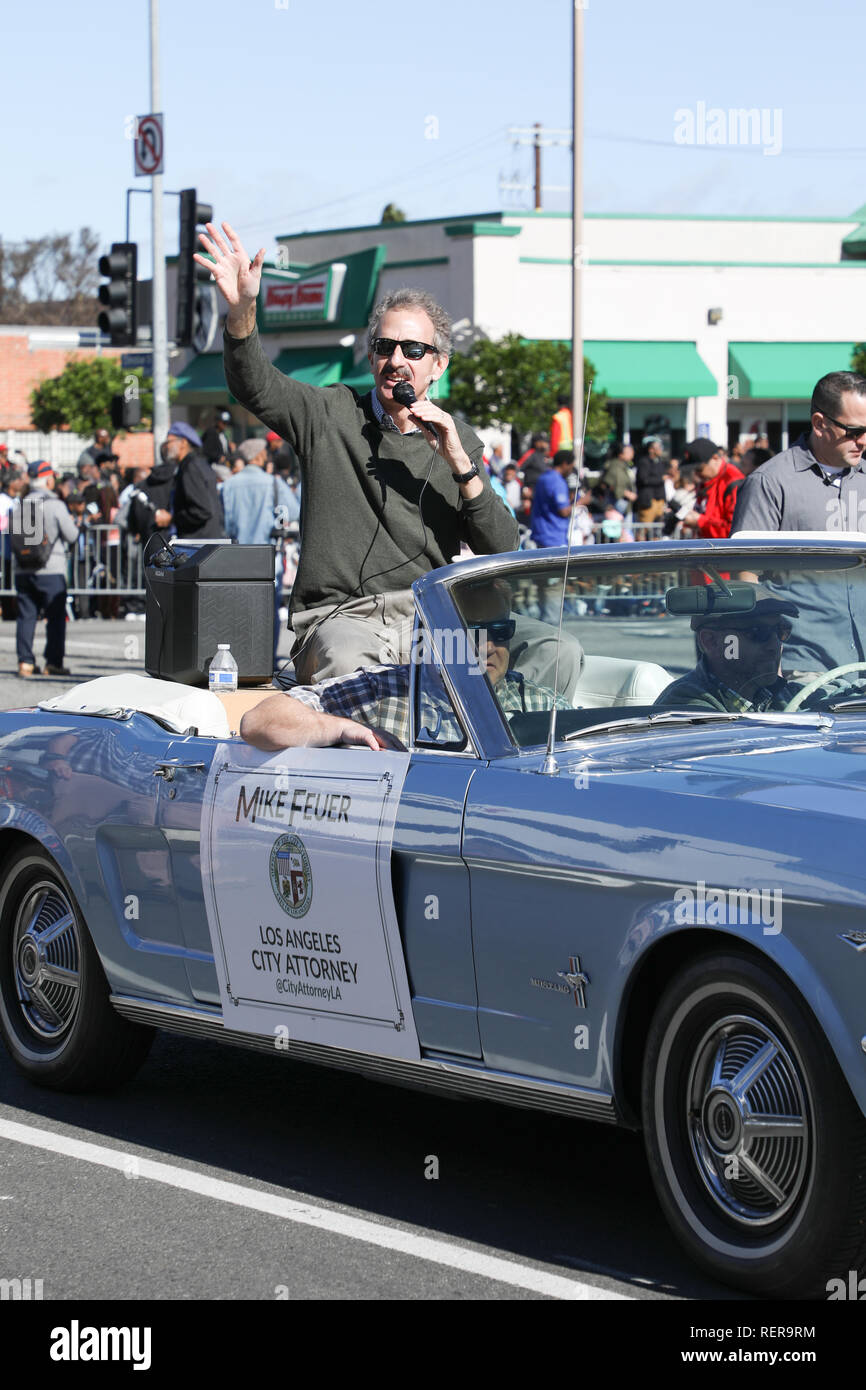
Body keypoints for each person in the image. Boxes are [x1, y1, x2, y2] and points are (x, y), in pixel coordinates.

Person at [199, 220, 517, 683]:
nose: (397, 360)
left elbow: (503, 548)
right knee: (352, 670)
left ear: (438, 365)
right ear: (371, 359)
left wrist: (461, 466)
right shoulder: (328, 413)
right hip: (340, 620)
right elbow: (255, 384)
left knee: (551, 655)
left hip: (430, 617)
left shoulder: (458, 440)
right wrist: (243, 309)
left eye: (413, 349)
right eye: (385, 347)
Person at [239, 577, 569, 752]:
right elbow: (259, 722)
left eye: (500, 631)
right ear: (440, 635)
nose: (488, 646)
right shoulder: (384, 690)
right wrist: (342, 728)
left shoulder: (540, 704)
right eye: (473, 632)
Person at [732, 371, 866, 535]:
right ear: (819, 424)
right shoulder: (769, 483)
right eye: (854, 431)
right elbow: (750, 559)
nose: (863, 441)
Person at [654, 586, 801, 713]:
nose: (774, 645)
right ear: (711, 641)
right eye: (758, 633)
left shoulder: (784, 693)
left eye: (781, 630)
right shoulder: (685, 706)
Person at [221, 436, 301, 666]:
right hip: (268, 556)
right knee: (269, 610)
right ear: (257, 456)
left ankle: (239, 656)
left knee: (238, 609)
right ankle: (266, 657)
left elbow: (224, 522)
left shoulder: (228, 485)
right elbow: (293, 512)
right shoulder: (274, 483)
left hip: (236, 555)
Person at [12, 461, 79, 678]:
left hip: (22, 569)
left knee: (26, 616)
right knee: (56, 618)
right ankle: (53, 663)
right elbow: (72, 535)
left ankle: (25, 662)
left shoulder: (20, 504)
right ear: (49, 480)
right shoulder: (55, 504)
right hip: (51, 569)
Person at [162, 422, 224, 540]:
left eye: (169, 442)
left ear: (183, 443)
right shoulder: (197, 464)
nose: (166, 446)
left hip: (199, 543)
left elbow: (202, 510)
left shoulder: (191, 467)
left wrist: (172, 518)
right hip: (204, 542)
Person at [680, 438, 744, 538]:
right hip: (707, 548)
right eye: (694, 470)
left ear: (715, 458)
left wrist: (700, 521)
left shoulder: (733, 481)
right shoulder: (707, 480)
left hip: (723, 551)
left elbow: (735, 532)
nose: (696, 474)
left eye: (699, 469)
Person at [529, 449, 574, 549]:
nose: (571, 470)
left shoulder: (543, 478)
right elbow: (563, 511)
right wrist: (580, 502)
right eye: (571, 466)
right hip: (553, 538)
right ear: (565, 464)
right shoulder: (558, 481)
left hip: (539, 534)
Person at [634, 435, 667, 525]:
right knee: (644, 529)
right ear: (651, 450)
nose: (660, 449)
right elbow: (643, 479)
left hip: (659, 500)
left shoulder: (660, 462)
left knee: (657, 530)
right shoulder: (644, 462)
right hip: (648, 501)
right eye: (658, 447)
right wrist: (660, 479)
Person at [599, 442, 637, 516]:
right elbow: (606, 484)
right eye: (628, 452)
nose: (632, 454)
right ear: (620, 454)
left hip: (625, 505)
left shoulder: (624, 466)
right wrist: (626, 493)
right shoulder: (614, 466)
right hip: (615, 503)